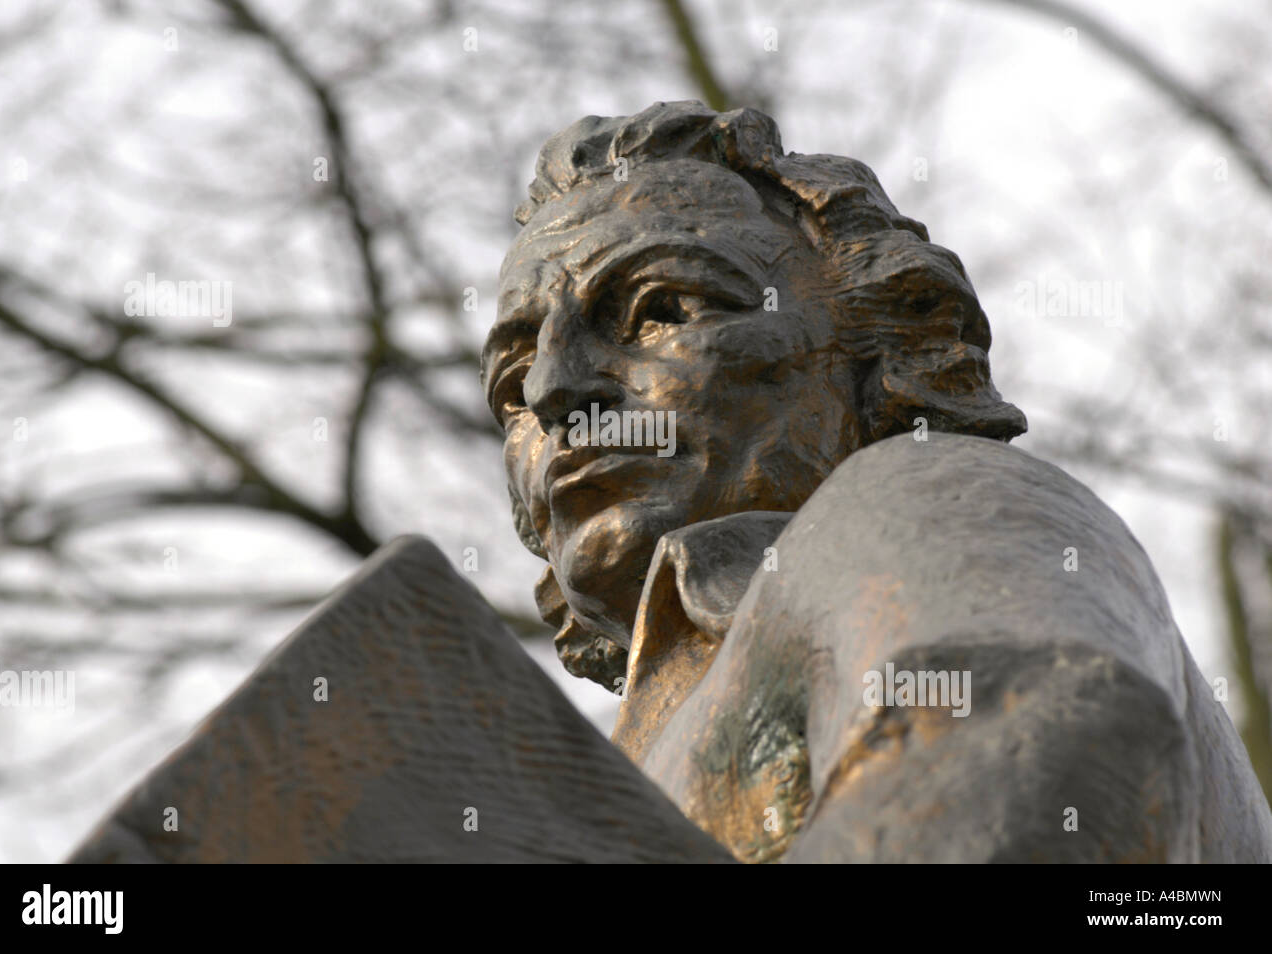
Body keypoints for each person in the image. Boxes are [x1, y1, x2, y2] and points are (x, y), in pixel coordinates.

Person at [481, 100, 1272, 862]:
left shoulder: (923, 496)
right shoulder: (625, 763)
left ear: (879, 354)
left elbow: (1028, 738)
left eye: (663, 307)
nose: (553, 392)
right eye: (513, 384)